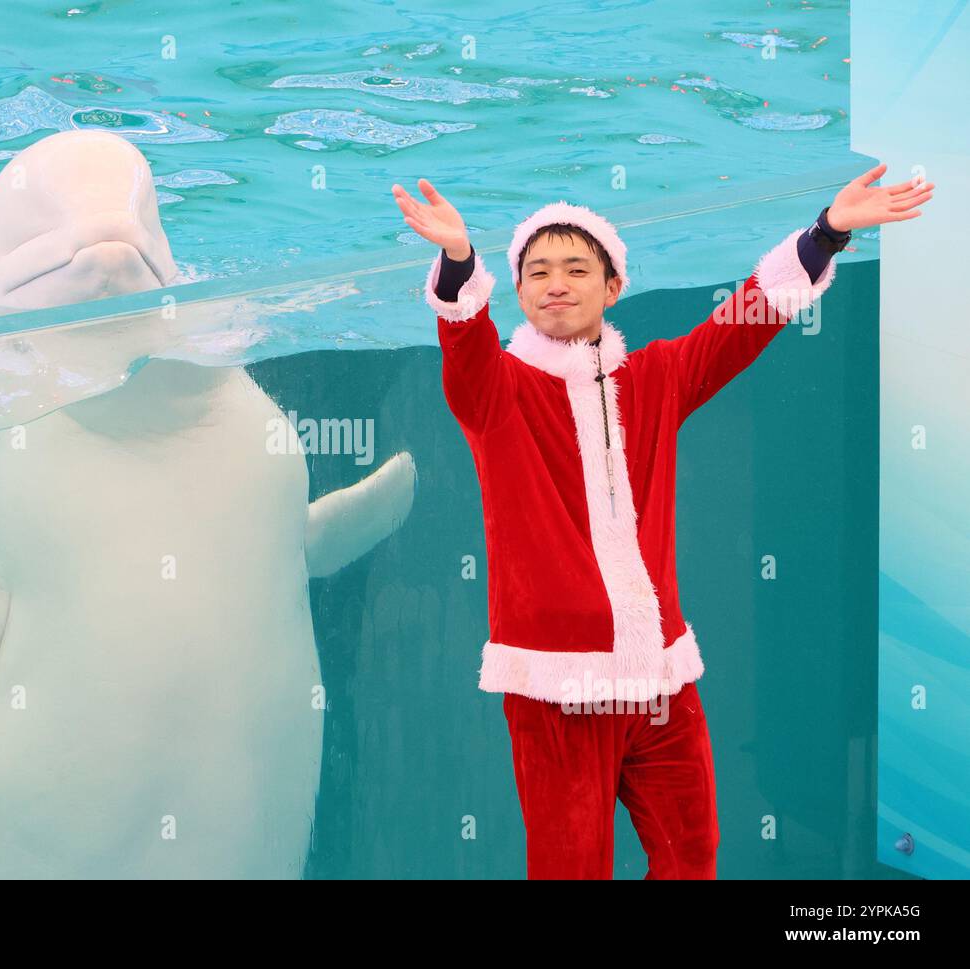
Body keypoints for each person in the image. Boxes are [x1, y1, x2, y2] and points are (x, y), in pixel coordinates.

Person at [391, 165, 934, 879]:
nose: (556, 281)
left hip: (662, 683)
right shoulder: (498, 391)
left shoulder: (653, 378)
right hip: (558, 692)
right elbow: (464, 341)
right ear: (517, 293)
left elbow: (740, 324)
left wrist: (828, 233)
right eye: (538, 271)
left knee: (692, 856)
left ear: (613, 287)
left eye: (577, 268)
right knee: (570, 868)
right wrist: (460, 259)